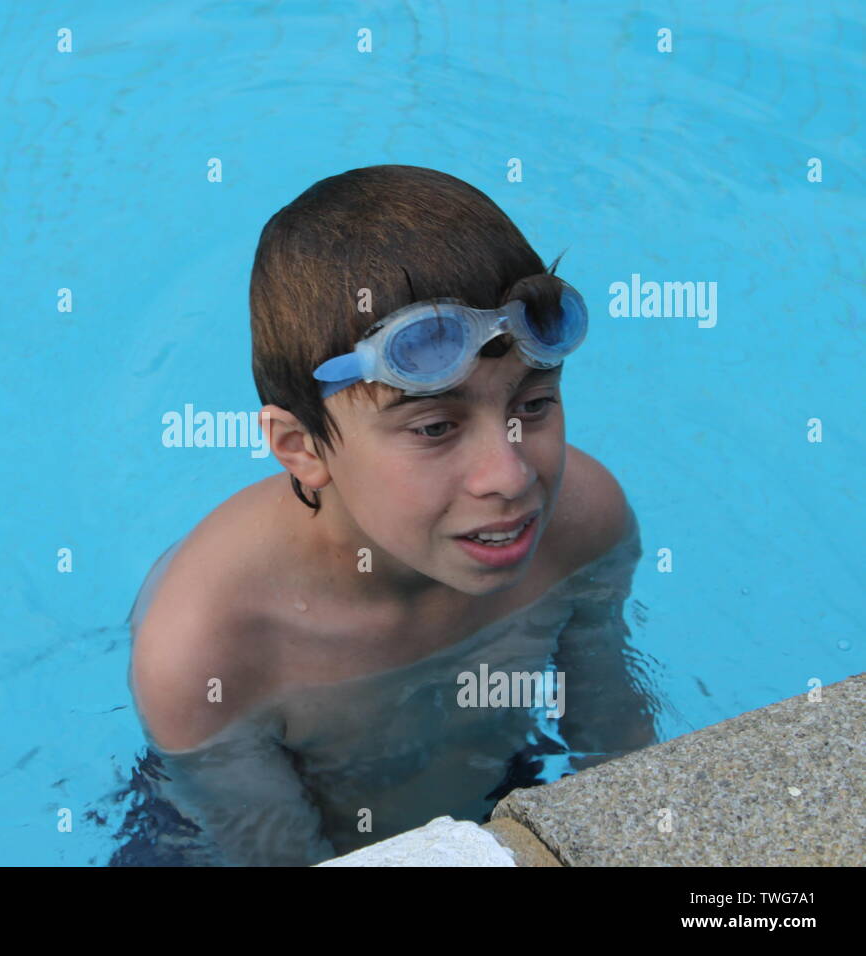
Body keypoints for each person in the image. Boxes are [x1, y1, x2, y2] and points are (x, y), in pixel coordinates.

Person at [125, 165, 658, 866]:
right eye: (435, 428)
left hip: (501, 794)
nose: (510, 475)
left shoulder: (584, 524)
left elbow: (623, 763)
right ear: (302, 447)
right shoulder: (211, 648)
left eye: (532, 406)